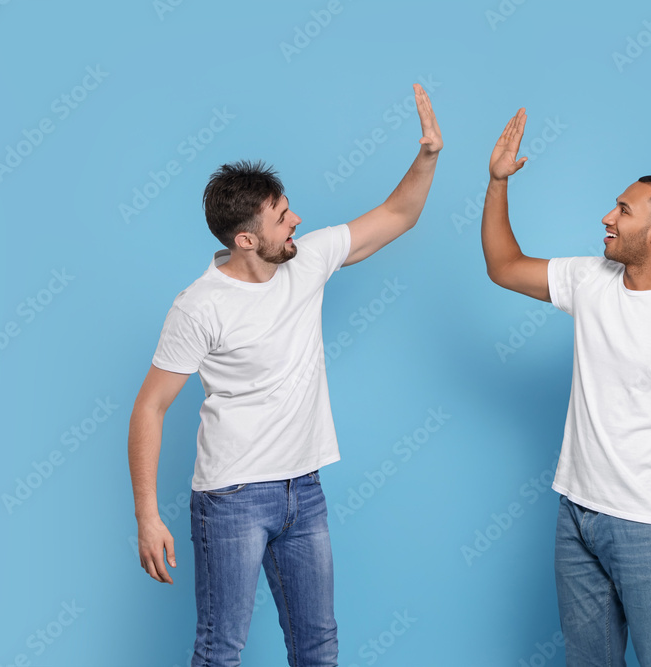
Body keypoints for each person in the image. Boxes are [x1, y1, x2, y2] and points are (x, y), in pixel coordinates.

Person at [127, 83, 442, 667]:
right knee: (221, 650)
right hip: (232, 498)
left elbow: (399, 214)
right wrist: (148, 514)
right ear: (246, 239)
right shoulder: (199, 306)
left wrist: (426, 156)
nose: (297, 218)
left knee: (318, 648)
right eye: (281, 216)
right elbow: (150, 406)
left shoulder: (309, 259)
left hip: (306, 489)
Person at [480, 108, 651, 666]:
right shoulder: (590, 280)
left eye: (622, 211)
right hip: (577, 512)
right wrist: (498, 180)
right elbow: (503, 266)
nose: (607, 217)